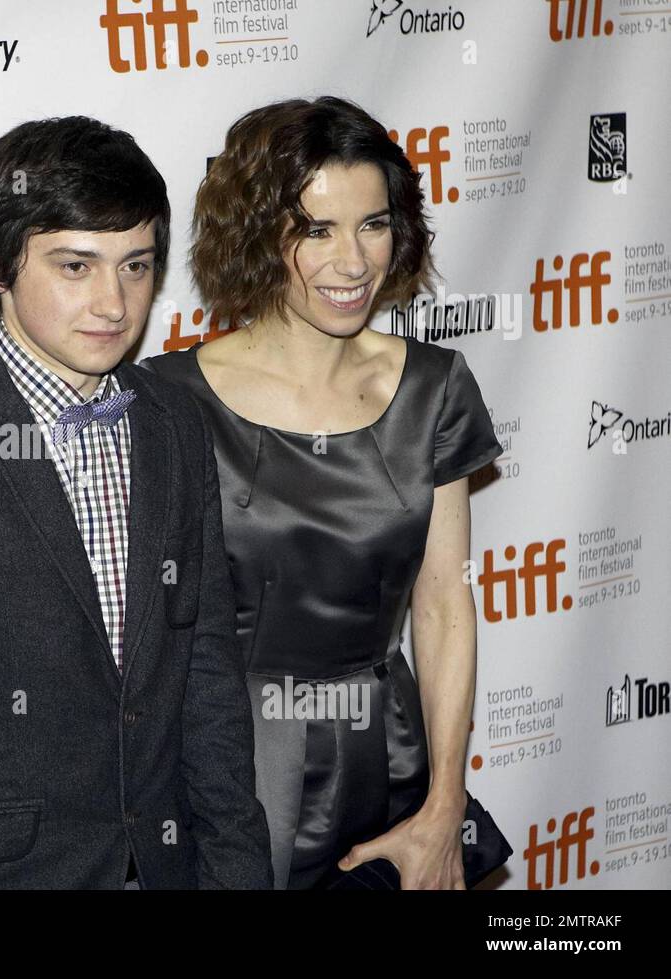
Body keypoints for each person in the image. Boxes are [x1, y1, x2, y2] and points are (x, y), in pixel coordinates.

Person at [0, 116, 273, 889]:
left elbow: (206, 677)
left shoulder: (172, 424)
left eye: (137, 266)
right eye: (76, 266)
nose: (114, 302)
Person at [144, 96, 502, 890]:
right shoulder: (170, 399)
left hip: (389, 758)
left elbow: (444, 602)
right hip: (223, 767)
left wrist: (445, 804)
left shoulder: (432, 388)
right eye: (316, 229)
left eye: (373, 224)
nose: (353, 262)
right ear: (258, 234)